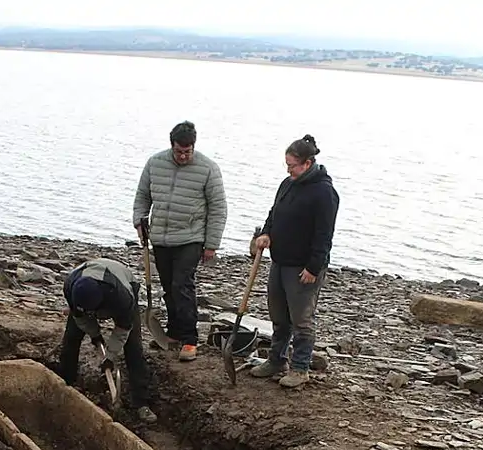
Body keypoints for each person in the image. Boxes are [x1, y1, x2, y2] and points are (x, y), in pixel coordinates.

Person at [133, 120, 227, 362]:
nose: (183, 156)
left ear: (193, 146)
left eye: (187, 151)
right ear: (172, 145)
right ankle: (173, 332)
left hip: (191, 237)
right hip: (161, 237)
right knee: (168, 286)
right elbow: (143, 195)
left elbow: (218, 208)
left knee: (182, 286)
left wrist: (211, 244)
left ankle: (189, 339)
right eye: (179, 151)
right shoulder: (155, 163)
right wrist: (139, 221)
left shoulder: (208, 168)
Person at [249, 134, 339, 388]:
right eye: (286, 165)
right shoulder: (287, 184)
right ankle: (276, 360)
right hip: (280, 260)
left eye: (292, 165)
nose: (288, 170)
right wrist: (266, 233)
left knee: (301, 320)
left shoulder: (324, 193)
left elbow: (324, 234)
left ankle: (300, 368)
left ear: (307, 163)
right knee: (279, 316)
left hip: (303, 267)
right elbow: (274, 213)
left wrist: (313, 267)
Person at [58, 257, 157, 423]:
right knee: (71, 339)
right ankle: (64, 385)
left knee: (133, 347)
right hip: (87, 283)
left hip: (124, 281)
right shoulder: (71, 287)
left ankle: (141, 402)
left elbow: (123, 329)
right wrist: (95, 336)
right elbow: (80, 318)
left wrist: (110, 356)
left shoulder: (122, 297)